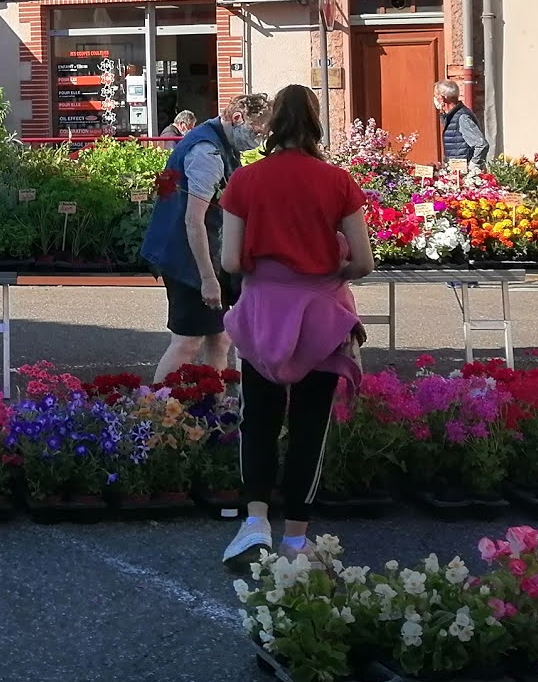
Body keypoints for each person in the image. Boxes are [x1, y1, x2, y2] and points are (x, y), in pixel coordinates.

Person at [215, 84, 374, 568]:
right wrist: (331, 271)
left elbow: (229, 261)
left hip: (264, 312)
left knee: (258, 420)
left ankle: (254, 523)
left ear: (271, 125)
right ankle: (297, 538)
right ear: (316, 123)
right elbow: (364, 261)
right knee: (310, 427)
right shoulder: (338, 181)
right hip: (322, 317)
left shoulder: (245, 181)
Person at [139, 93, 272, 383]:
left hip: (197, 252)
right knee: (187, 342)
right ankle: (154, 412)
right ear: (238, 119)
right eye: (258, 132)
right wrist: (208, 279)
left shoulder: (215, 141)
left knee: (220, 338)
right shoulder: (206, 152)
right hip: (186, 258)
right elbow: (193, 220)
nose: (259, 141)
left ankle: (216, 408)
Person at [434, 79, 491, 170]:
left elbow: (481, 144)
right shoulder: (451, 116)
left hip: (462, 174)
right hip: (455, 173)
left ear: (442, 98)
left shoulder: (462, 117)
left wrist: (472, 167)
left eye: (436, 96)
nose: (435, 99)